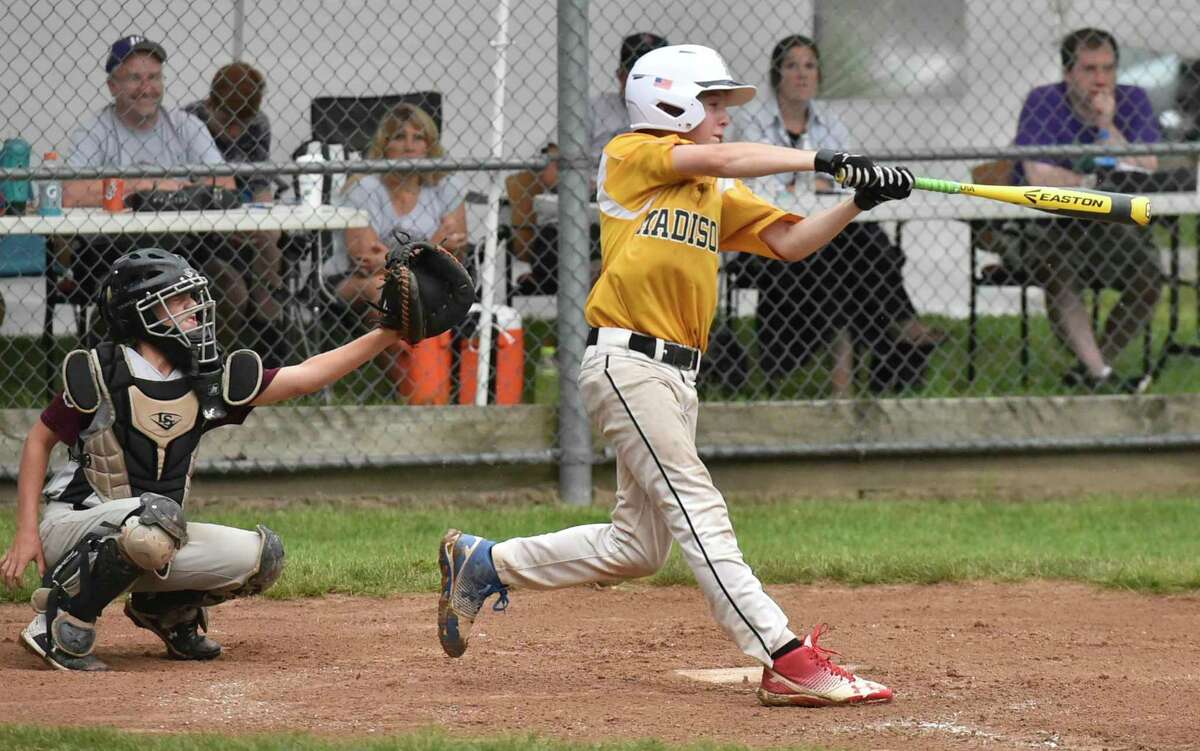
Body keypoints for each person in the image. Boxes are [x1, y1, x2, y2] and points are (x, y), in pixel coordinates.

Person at [437, 44, 910, 707]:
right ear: (671, 102)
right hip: (629, 364)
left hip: (678, 377)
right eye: (713, 103)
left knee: (636, 547)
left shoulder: (714, 190)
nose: (725, 117)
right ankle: (784, 655)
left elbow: (788, 241)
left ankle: (486, 562)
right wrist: (820, 159)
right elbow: (720, 158)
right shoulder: (631, 153)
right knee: (698, 508)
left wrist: (857, 201)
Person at [0, 246, 410, 671]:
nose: (194, 308)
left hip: (151, 532)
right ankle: (60, 624)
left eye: (192, 297)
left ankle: (164, 609)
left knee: (261, 557)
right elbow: (38, 440)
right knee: (155, 523)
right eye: (178, 300)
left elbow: (304, 377)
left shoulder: (204, 378)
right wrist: (26, 532)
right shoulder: (102, 371)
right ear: (141, 313)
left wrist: (388, 334)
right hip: (73, 529)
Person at [736, 34, 945, 396]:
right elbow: (759, 186)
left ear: (819, 75)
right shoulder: (752, 122)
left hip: (824, 227)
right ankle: (895, 328)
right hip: (771, 230)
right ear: (776, 74)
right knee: (849, 254)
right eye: (792, 66)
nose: (802, 74)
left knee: (861, 239)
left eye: (810, 66)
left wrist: (802, 185)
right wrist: (810, 185)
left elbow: (843, 184)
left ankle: (846, 370)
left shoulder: (830, 124)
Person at [62, 35, 249, 347]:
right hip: (116, 254)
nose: (146, 87)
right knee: (117, 305)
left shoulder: (185, 125)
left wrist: (170, 191)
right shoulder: (96, 130)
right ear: (113, 86)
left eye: (154, 77)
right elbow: (71, 194)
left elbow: (226, 184)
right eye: (135, 78)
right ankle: (119, 371)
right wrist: (145, 186)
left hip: (187, 251)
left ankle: (201, 367)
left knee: (231, 290)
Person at [1014, 28, 1163, 392]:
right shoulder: (1043, 101)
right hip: (1049, 225)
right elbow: (1038, 176)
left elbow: (1149, 166)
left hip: (1110, 226)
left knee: (1148, 278)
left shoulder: (1133, 99)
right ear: (1068, 73)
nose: (1101, 80)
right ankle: (1101, 377)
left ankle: (1096, 370)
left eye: (1108, 69)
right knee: (1059, 271)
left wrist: (1105, 125)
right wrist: (1091, 182)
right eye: (1090, 69)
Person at [506, 32, 669, 296]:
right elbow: (551, 173)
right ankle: (595, 282)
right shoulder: (593, 109)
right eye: (637, 74)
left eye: (654, 76)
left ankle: (605, 280)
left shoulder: (674, 113)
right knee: (555, 239)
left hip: (648, 211)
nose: (645, 84)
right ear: (621, 75)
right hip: (592, 207)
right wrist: (593, 185)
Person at [330, 103, 469, 402]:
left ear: (429, 146)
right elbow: (364, 260)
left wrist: (392, 257)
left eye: (418, 138)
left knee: (400, 291)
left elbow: (457, 248)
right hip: (358, 281)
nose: (409, 146)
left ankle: (423, 391)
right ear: (384, 145)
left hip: (428, 280)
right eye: (399, 137)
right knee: (382, 289)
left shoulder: (446, 187)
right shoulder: (362, 188)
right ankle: (416, 393)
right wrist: (433, 245)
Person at [185, 62, 290, 366]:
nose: (234, 130)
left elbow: (260, 183)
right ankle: (260, 324)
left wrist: (264, 218)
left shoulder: (257, 123)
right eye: (226, 120)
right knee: (242, 269)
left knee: (270, 237)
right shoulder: (190, 121)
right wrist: (227, 225)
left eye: (240, 123)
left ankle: (266, 319)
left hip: (243, 213)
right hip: (203, 220)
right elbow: (186, 192)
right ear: (211, 103)